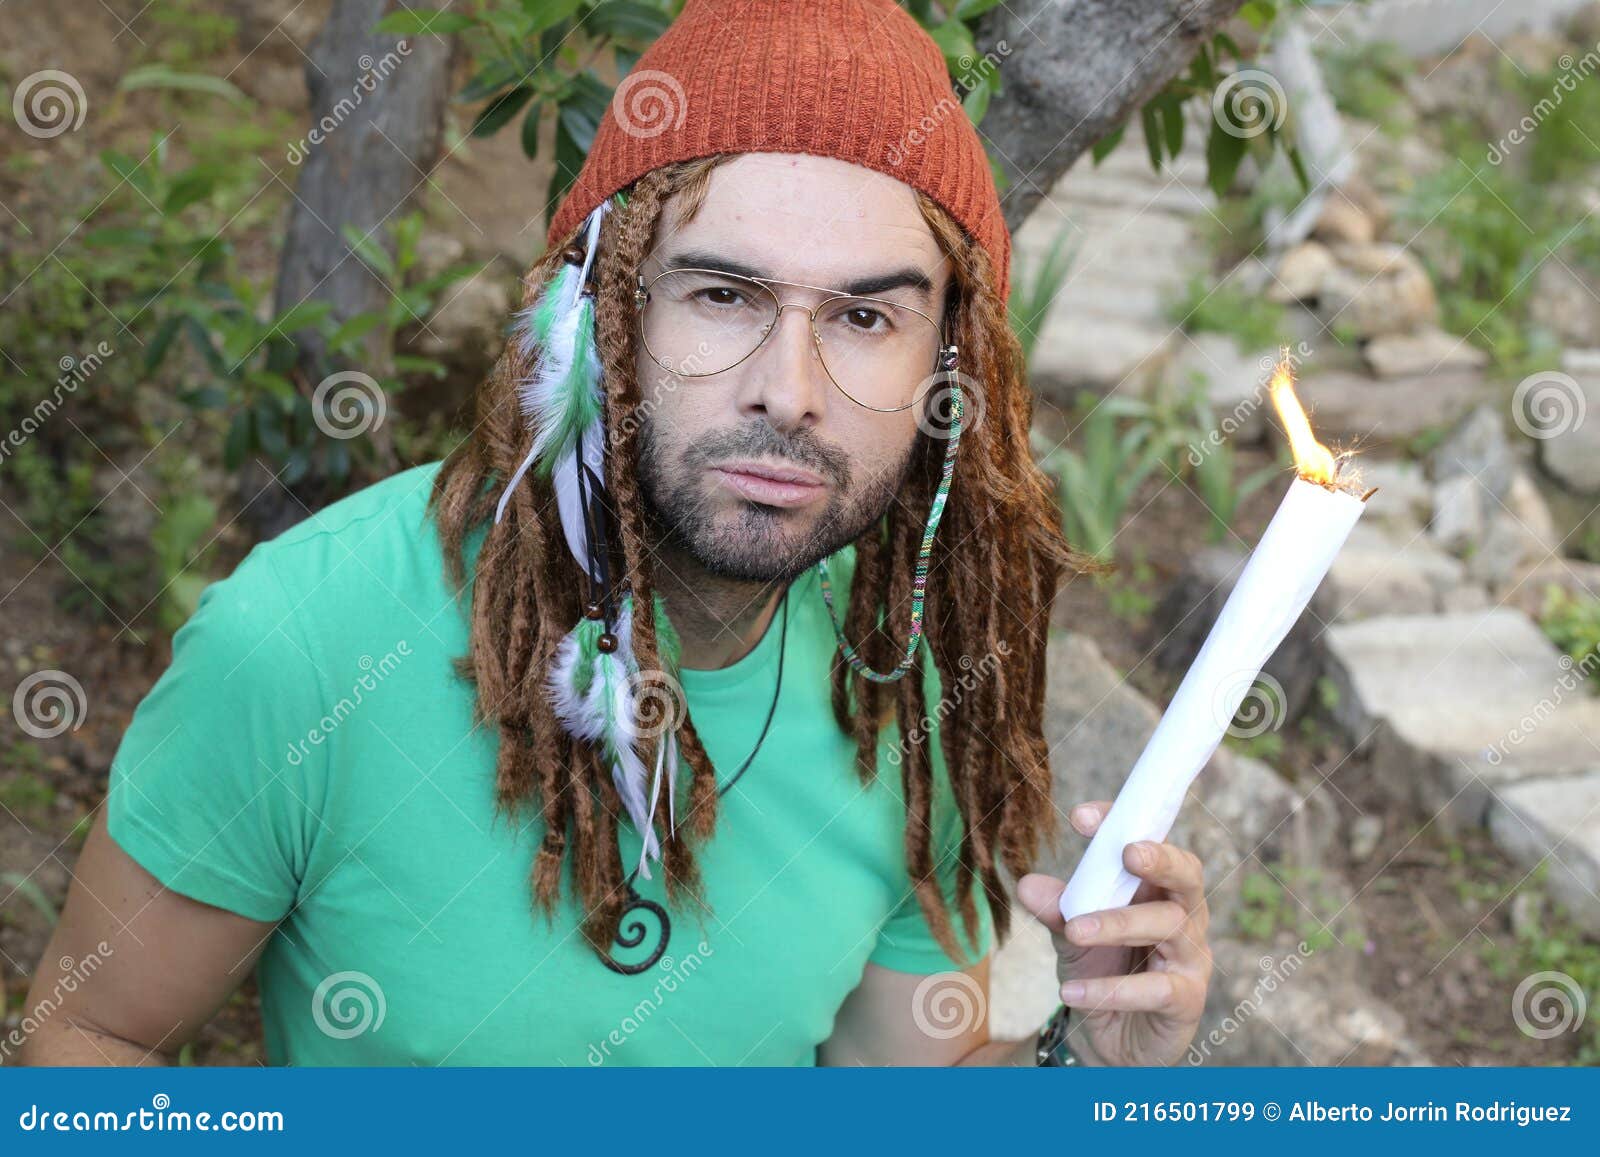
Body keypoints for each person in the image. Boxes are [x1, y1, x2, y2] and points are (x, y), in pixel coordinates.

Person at [21, 0, 1211, 1067]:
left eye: (862, 315)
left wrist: (1090, 1068)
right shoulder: (306, 640)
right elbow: (87, 1040)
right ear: (597, 312)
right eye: (723, 294)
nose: (787, 389)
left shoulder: (904, 675)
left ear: (949, 364)